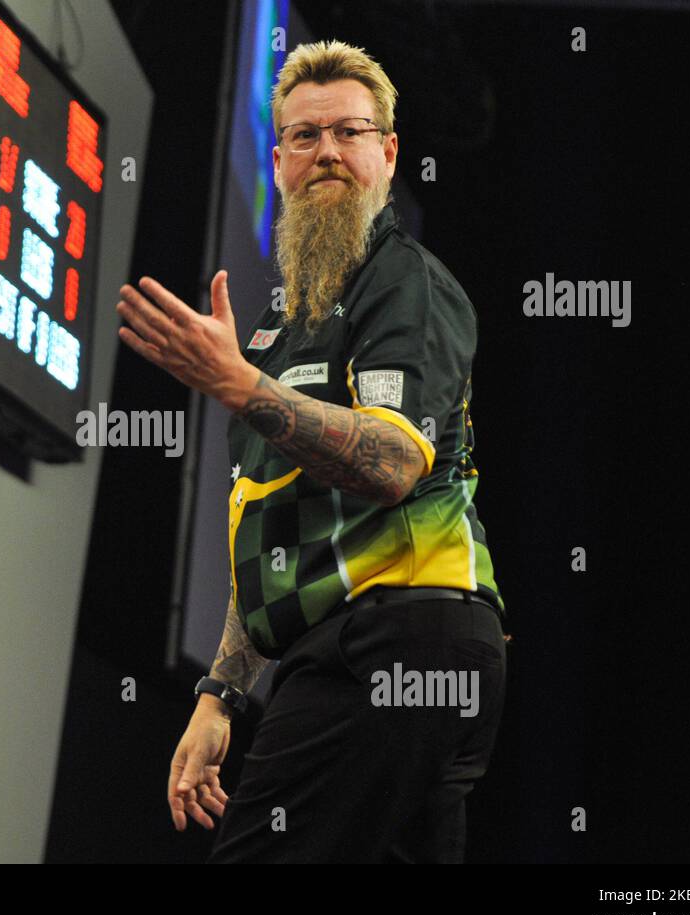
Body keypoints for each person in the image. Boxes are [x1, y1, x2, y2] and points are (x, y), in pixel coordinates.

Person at [117, 40, 509, 862]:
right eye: (303, 136)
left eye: (349, 131)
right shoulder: (276, 329)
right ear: (280, 161)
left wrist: (238, 387)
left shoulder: (404, 281)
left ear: (388, 153)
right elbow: (267, 525)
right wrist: (220, 693)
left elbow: (394, 463)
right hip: (388, 649)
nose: (326, 151)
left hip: (394, 638)